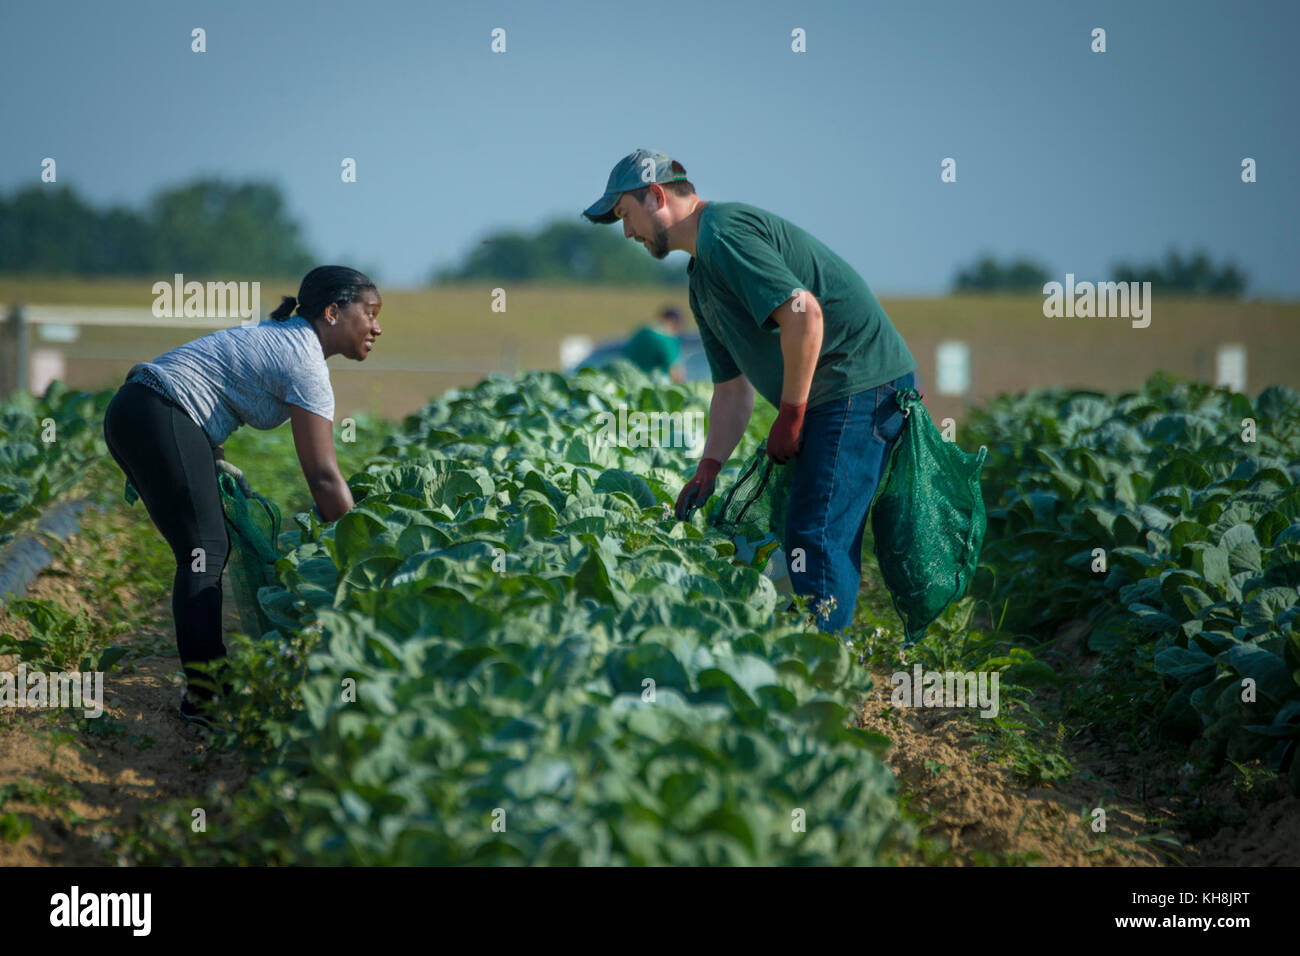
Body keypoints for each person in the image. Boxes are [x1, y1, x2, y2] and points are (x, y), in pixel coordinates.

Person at [583, 149, 918, 635]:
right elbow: (731, 389)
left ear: (656, 196)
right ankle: (816, 641)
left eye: (625, 215)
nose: (627, 232)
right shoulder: (701, 276)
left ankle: (821, 659)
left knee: (816, 529)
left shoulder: (724, 233)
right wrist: (709, 466)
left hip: (857, 383)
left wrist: (791, 414)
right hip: (838, 393)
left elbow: (805, 313)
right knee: (807, 526)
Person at [102, 265, 382, 726]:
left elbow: (212, 381)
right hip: (155, 413)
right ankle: (206, 695)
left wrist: (211, 454)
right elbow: (324, 479)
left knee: (203, 549)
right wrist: (359, 552)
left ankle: (208, 687)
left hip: (140, 412)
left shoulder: (284, 338)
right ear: (333, 312)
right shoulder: (305, 362)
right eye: (369, 313)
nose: (377, 326)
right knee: (203, 550)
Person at [621, 306, 686, 383]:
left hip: (630, 382)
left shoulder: (641, 332)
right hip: (655, 387)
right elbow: (675, 373)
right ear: (674, 323)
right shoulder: (667, 339)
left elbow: (624, 356)